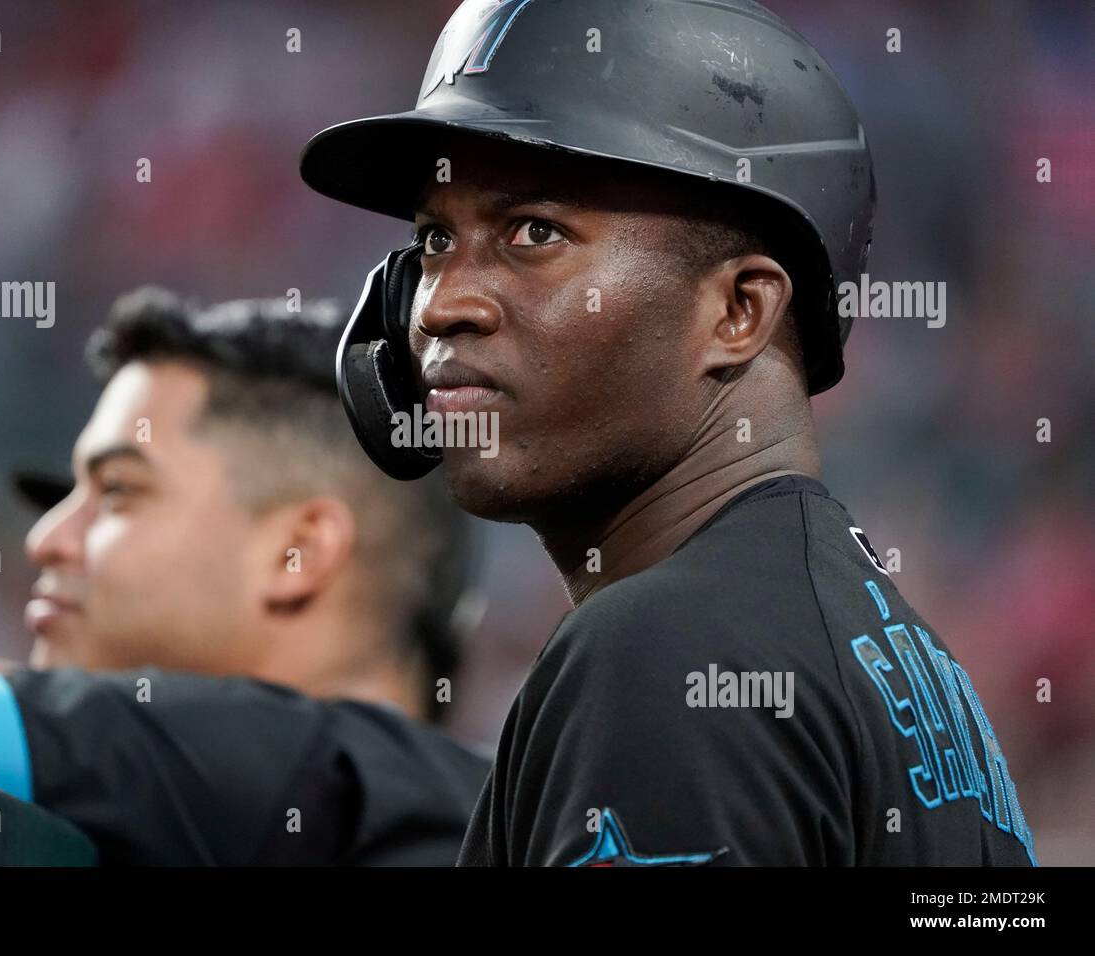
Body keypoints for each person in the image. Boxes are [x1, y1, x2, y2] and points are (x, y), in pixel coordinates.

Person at [298, 0, 1036, 865]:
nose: (442, 304)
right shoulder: (902, 659)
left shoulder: (664, 654)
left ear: (738, 310)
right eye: (433, 240)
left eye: (535, 231)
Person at [0, 289, 490, 865]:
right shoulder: (488, 806)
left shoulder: (297, 764)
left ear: (298, 551)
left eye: (119, 491)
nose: (44, 540)